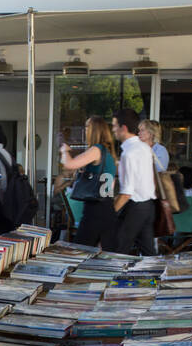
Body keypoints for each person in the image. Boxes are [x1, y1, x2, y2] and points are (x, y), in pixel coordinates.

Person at [60, 116, 118, 250]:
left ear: (94, 130)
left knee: (81, 250)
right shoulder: (108, 152)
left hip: (95, 208)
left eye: (87, 127)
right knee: (104, 253)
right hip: (107, 205)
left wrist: (64, 149)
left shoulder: (96, 149)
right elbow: (111, 184)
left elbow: (69, 164)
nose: (84, 130)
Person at [111, 108, 156, 256]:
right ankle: (155, 279)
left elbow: (127, 192)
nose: (113, 130)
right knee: (148, 252)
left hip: (135, 207)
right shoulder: (144, 148)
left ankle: (113, 279)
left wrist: (111, 213)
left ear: (123, 128)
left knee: (118, 249)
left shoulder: (129, 153)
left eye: (114, 126)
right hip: (148, 206)